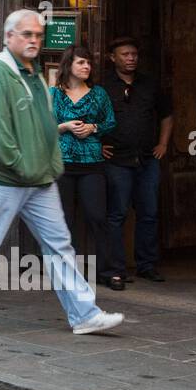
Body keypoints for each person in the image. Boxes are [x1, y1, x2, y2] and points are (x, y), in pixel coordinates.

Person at [0, 9, 122, 334]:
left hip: (37, 178)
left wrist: (50, 163)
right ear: (9, 36)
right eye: (27, 34)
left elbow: (44, 123)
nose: (34, 40)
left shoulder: (33, 73)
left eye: (38, 35)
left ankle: (84, 314)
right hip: (2, 176)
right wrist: (24, 164)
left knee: (59, 245)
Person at [100, 35, 173, 284]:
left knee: (149, 213)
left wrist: (163, 143)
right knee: (117, 214)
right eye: (125, 54)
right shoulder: (103, 87)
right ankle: (116, 268)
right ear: (113, 58)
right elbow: (88, 117)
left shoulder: (149, 84)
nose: (131, 58)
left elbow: (166, 115)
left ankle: (146, 265)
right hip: (117, 159)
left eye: (134, 54)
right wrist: (97, 145)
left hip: (146, 158)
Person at [51, 44, 118, 288]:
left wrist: (93, 128)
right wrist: (65, 126)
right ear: (68, 65)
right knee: (63, 220)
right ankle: (64, 273)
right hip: (62, 164)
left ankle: (107, 270)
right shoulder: (54, 94)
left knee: (97, 216)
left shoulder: (98, 93)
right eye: (81, 62)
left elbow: (110, 122)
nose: (86, 67)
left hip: (92, 163)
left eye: (89, 63)